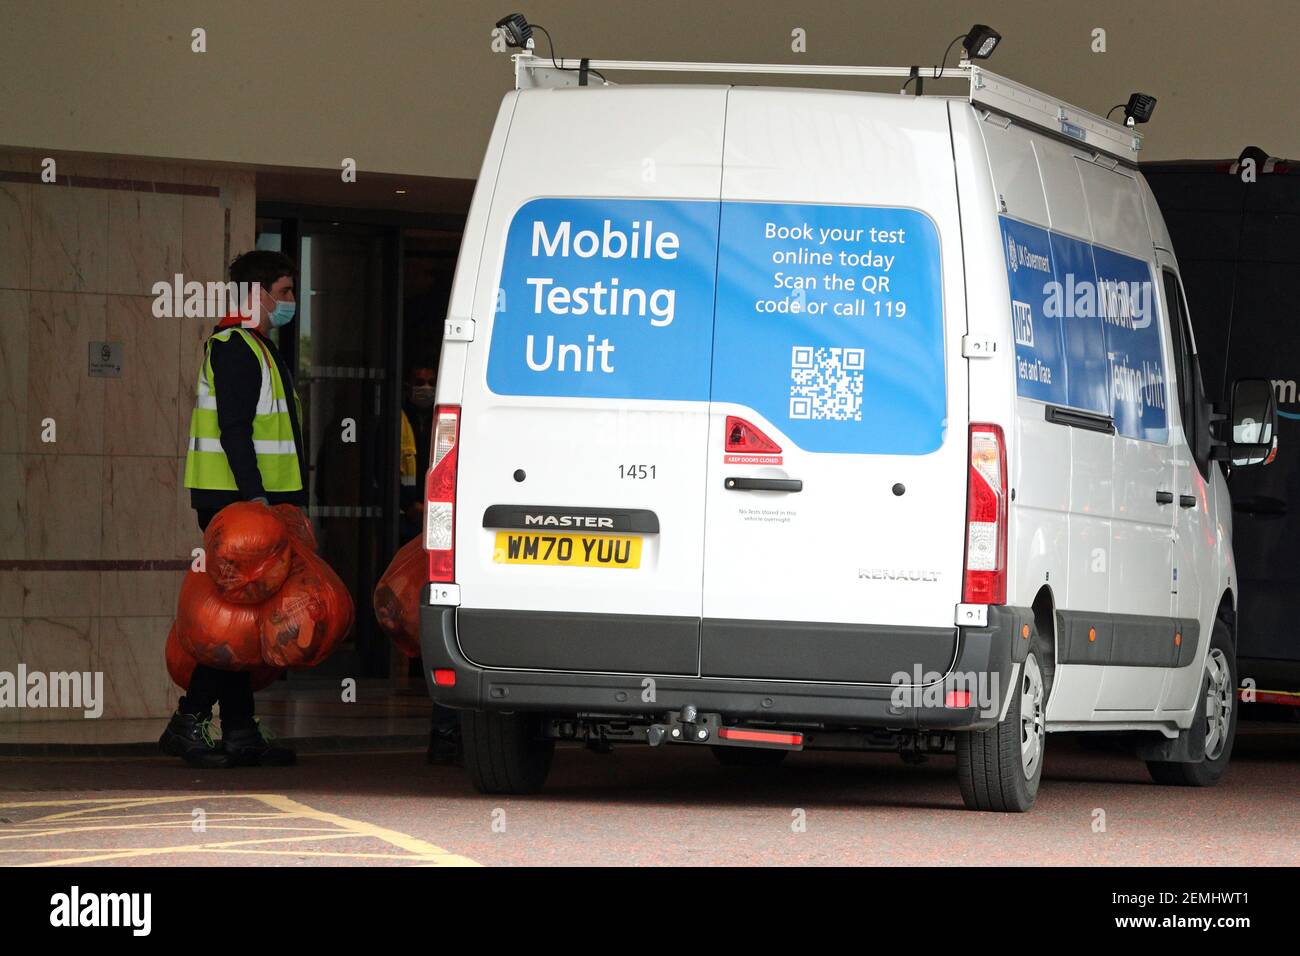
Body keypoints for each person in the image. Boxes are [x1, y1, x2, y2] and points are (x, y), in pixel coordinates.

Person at [159, 250, 305, 768]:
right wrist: (257, 501)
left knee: (245, 620)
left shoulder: (257, 348)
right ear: (256, 295)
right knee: (238, 620)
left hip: (247, 504)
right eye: (285, 291)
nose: (291, 302)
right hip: (239, 506)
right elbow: (235, 430)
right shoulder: (237, 348)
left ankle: (239, 730)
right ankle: (190, 719)